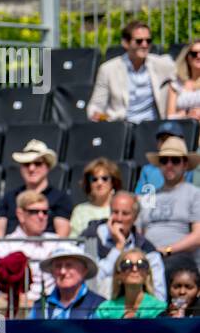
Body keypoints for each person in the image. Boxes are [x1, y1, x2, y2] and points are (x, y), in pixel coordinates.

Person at [87, 21, 175, 123]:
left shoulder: (162, 64)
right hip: (122, 126)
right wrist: (97, 114)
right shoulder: (108, 69)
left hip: (152, 126)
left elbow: (185, 75)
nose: (144, 44)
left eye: (148, 40)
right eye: (139, 41)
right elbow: (96, 105)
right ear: (125, 43)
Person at [83, 191, 166, 298]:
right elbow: (90, 282)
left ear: (135, 218)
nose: (119, 218)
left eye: (125, 214)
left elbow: (159, 295)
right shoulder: (90, 238)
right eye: (115, 212)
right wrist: (118, 247)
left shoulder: (147, 249)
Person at [138, 136, 200, 275]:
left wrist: (168, 250)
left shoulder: (195, 194)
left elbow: (197, 236)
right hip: (149, 257)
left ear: (185, 164)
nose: (169, 165)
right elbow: (140, 232)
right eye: (164, 160)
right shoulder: (149, 196)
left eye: (175, 160)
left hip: (180, 259)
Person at [0, 190, 62, 310]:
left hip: (53, 306)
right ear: (20, 214)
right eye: (34, 212)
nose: (41, 216)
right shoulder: (4, 245)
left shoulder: (57, 242)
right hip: (16, 308)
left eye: (45, 212)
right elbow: (0, 287)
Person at [0, 140, 72, 237]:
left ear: (47, 166)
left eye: (38, 163)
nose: (31, 168)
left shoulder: (61, 198)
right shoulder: (9, 197)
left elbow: (62, 236)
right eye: (26, 164)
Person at [28, 243, 105, 319]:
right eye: (58, 266)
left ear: (84, 270)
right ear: (52, 272)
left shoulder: (100, 306)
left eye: (69, 265)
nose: (63, 271)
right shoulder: (41, 307)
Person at [94, 248, 168, 318]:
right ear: (118, 274)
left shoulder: (160, 309)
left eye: (141, 265)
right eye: (126, 265)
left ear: (147, 274)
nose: (134, 269)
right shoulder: (105, 310)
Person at [69, 158, 122, 238]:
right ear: (89, 184)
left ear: (113, 182)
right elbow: (73, 240)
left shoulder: (120, 209)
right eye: (94, 179)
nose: (99, 183)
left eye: (105, 178)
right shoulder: (80, 210)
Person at [136, 123, 195, 193]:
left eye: (171, 138)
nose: (167, 142)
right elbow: (139, 196)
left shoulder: (190, 171)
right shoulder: (147, 170)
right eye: (162, 139)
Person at [165, 38, 200, 119]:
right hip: (182, 128)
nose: (198, 56)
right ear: (187, 57)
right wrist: (187, 114)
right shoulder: (176, 82)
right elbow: (169, 117)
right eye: (194, 54)